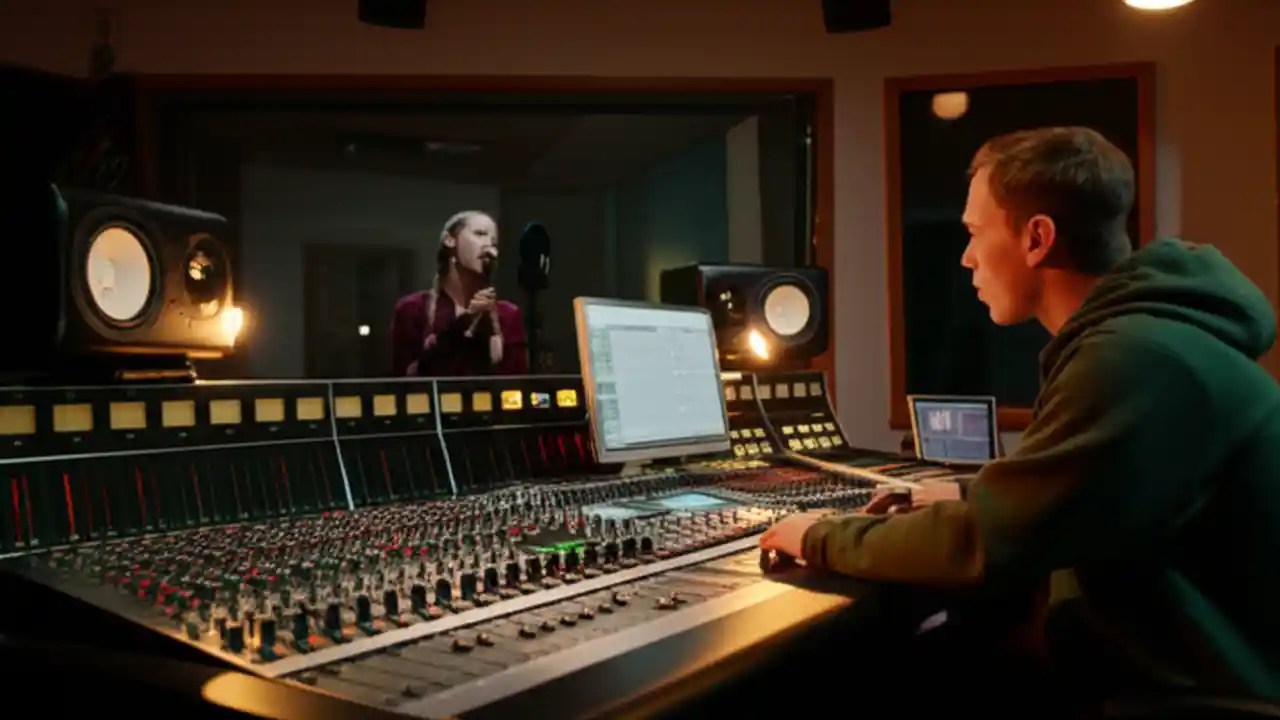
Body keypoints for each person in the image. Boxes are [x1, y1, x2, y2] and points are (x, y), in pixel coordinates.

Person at [761, 127, 1280, 712]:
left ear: (1037, 238)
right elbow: (1079, 499)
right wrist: (965, 491)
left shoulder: (1136, 358)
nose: (966, 256)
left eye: (976, 232)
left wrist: (817, 535)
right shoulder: (1148, 341)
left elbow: (986, 542)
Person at [391, 210, 528, 376]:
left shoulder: (508, 315)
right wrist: (465, 323)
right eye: (480, 234)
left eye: (494, 242)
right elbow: (406, 379)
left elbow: (516, 386)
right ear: (450, 240)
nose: (489, 247)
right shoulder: (413, 309)